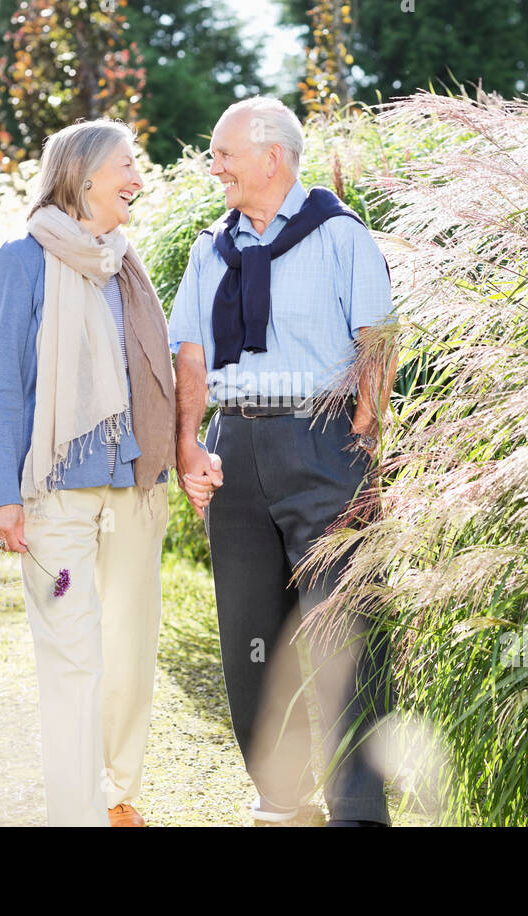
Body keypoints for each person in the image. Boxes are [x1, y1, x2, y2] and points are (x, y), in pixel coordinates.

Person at [169, 96, 395, 827]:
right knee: (248, 636)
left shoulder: (340, 235)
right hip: (236, 451)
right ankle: (280, 797)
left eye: (223, 153)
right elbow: (193, 357)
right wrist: (187, 442)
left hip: (325, 445)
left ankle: (356, 810)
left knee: (345, 629)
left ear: (272, 156)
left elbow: (378, 341)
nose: (216, 167)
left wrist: (360, 432)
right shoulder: (211, 248)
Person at [0, 118, 177, 827]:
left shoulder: (123, 259)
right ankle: (76, 813)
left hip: (132, 489)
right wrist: (6, 497)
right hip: (55, 494)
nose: (138, 178)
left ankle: (119, 791)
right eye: (129, 164)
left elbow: (152, 369)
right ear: (87, 174)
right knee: (71, 655)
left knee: (128, 646)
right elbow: (1, 384)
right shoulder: (21, 261)